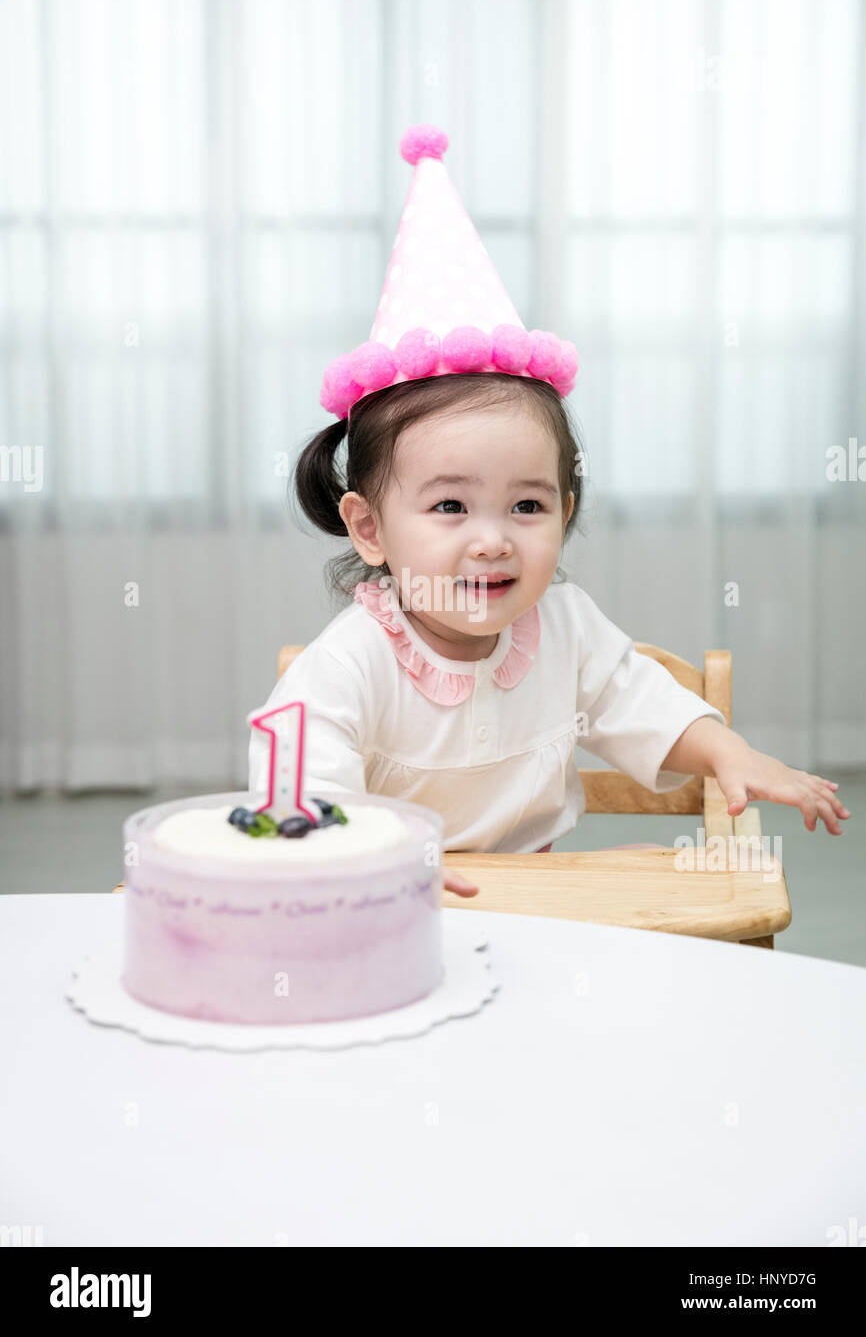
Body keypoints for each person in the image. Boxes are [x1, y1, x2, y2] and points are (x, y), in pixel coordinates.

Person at [248, 127, 848, 897]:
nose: (492, 540)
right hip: (393, 900)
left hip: (537, 896)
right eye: (451, 505)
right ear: (369, 528)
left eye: (527, 505)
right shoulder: (352, 662)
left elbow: (640, 703)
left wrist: (727, 753)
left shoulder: (564, 628)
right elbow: (298, 786)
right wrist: (377, 861)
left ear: (565, 512)